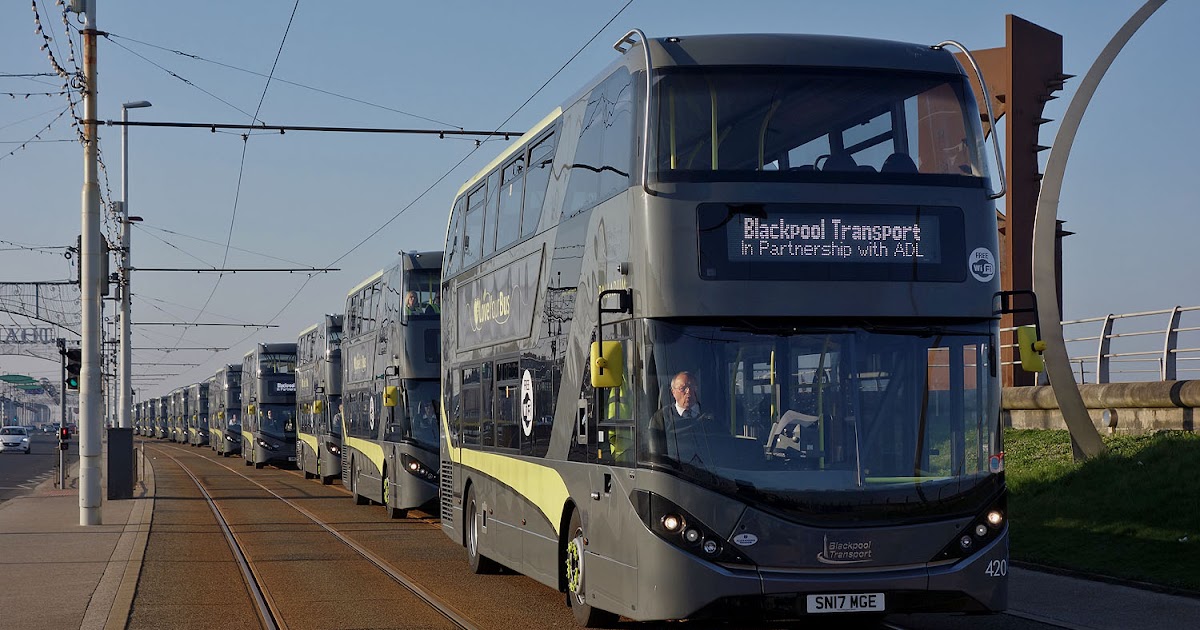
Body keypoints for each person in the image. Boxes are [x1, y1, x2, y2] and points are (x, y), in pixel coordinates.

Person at [647, 371, 734, 466]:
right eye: (683, 388)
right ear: (673, 392)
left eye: (692, 387)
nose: (688, 392)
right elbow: (655, 452)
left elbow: (726, 448)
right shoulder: (661, 418)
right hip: (673, 473)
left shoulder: (711, 417)